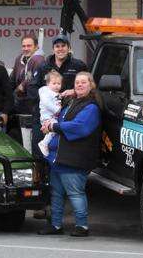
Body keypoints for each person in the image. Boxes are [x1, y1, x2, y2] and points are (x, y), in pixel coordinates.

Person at [37, 71, 102, 237]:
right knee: (56, 194)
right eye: (77, 82)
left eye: (83, 82)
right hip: (57, 158)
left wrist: (54, 126)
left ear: (91, 85)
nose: (79, 84)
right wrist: (49, 124)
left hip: (74, 159)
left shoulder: (91, 107)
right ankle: (55, 225)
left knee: (75, 193)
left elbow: (79, 127)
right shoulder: (71, 101)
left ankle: (82, 226)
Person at [26, 33, 88, 157]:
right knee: (39, 153)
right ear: (53, 49)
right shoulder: (43, 66)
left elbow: (89, 86)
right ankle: (39, 170)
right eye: (57, 46)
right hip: (43, 117)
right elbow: (32, 88)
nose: (60, 49)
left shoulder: (78, 66)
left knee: (61, 152)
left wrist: (74, 91)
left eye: (63, 46)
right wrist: (47, 97)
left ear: (69, 48)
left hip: (68, 117)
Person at [8, 36, 45, 140]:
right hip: (19, 104)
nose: (26, 48)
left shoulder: (38, 59)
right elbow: (12, 79)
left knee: (31, 139)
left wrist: (21, 86)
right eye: (23, 46)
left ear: (36, 47)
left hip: (32, 106)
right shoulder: (19, 58)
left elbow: (30, 79)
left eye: (29, 46)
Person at [37, 71, 63, 156]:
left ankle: (47, 144)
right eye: (54, 83)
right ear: (48, 83)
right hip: (47, 117)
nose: (56, 85)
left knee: (53, 131)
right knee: (53, 129)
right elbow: (47, 103)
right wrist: (57, 109)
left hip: (52, 116)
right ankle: (43, 143)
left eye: (59, 83)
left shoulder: (55, 93)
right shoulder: (46, 93)